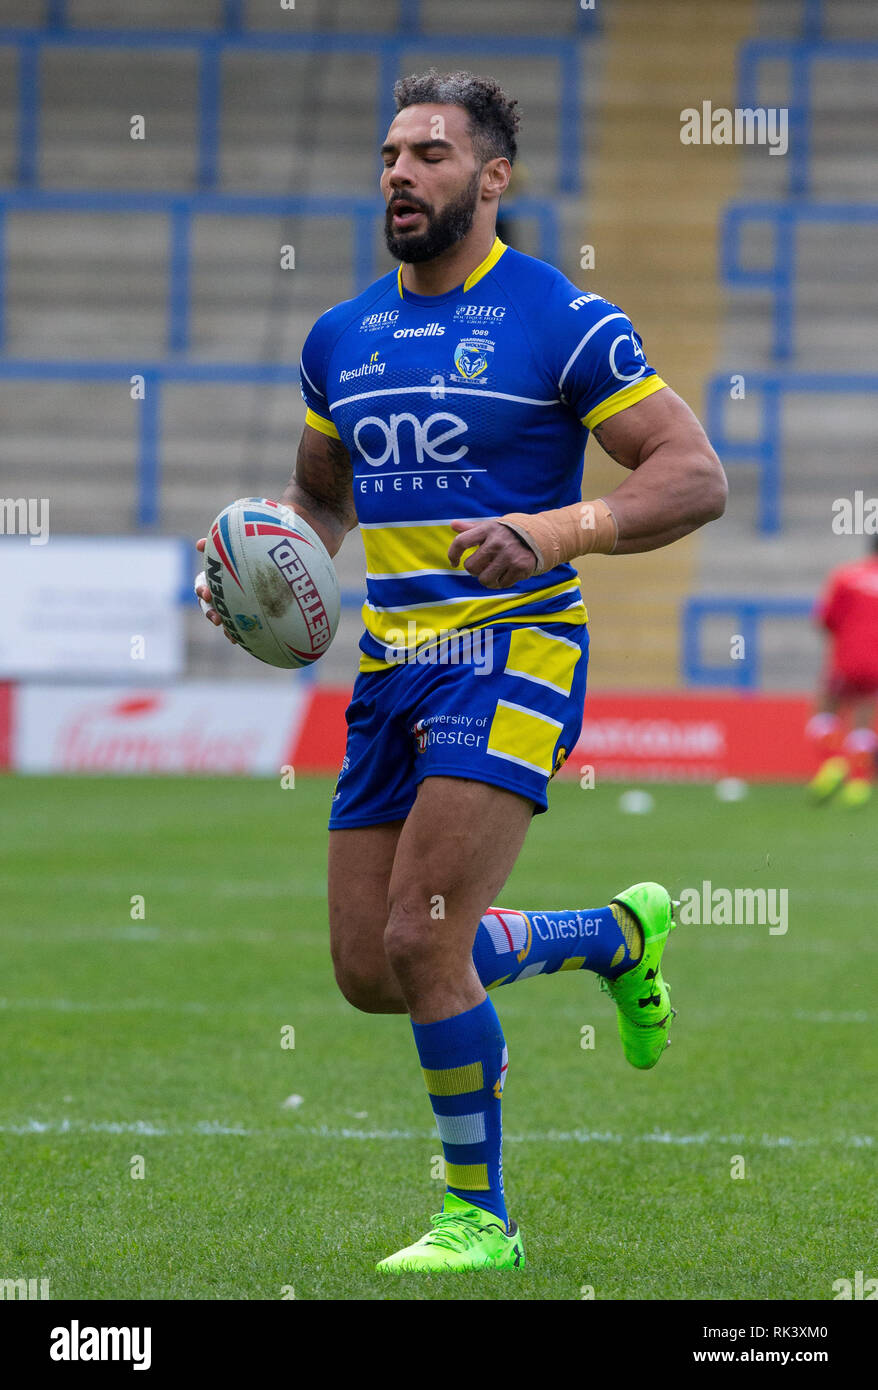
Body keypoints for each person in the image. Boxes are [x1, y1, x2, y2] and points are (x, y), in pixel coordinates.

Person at [196, 69, 727, 1272]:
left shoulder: (559, 318)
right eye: (389, 153)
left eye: (429, 154)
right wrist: (256, 569)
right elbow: (318, 504)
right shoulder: (340, 338)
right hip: (391, 670)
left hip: (514, 648)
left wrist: (555, 528)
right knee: (368, 969)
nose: (399, 173)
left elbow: (691, 475)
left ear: (491, 179)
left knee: (423, 938)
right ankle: (609, 937)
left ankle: (476, 1218)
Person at [806, 534, 878, 807]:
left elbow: (826, 619)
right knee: (863, 718)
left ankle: (832, 764)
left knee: (825, 709)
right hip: (877, 662)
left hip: (847, 658)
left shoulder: (847, 577)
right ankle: (858, 786)